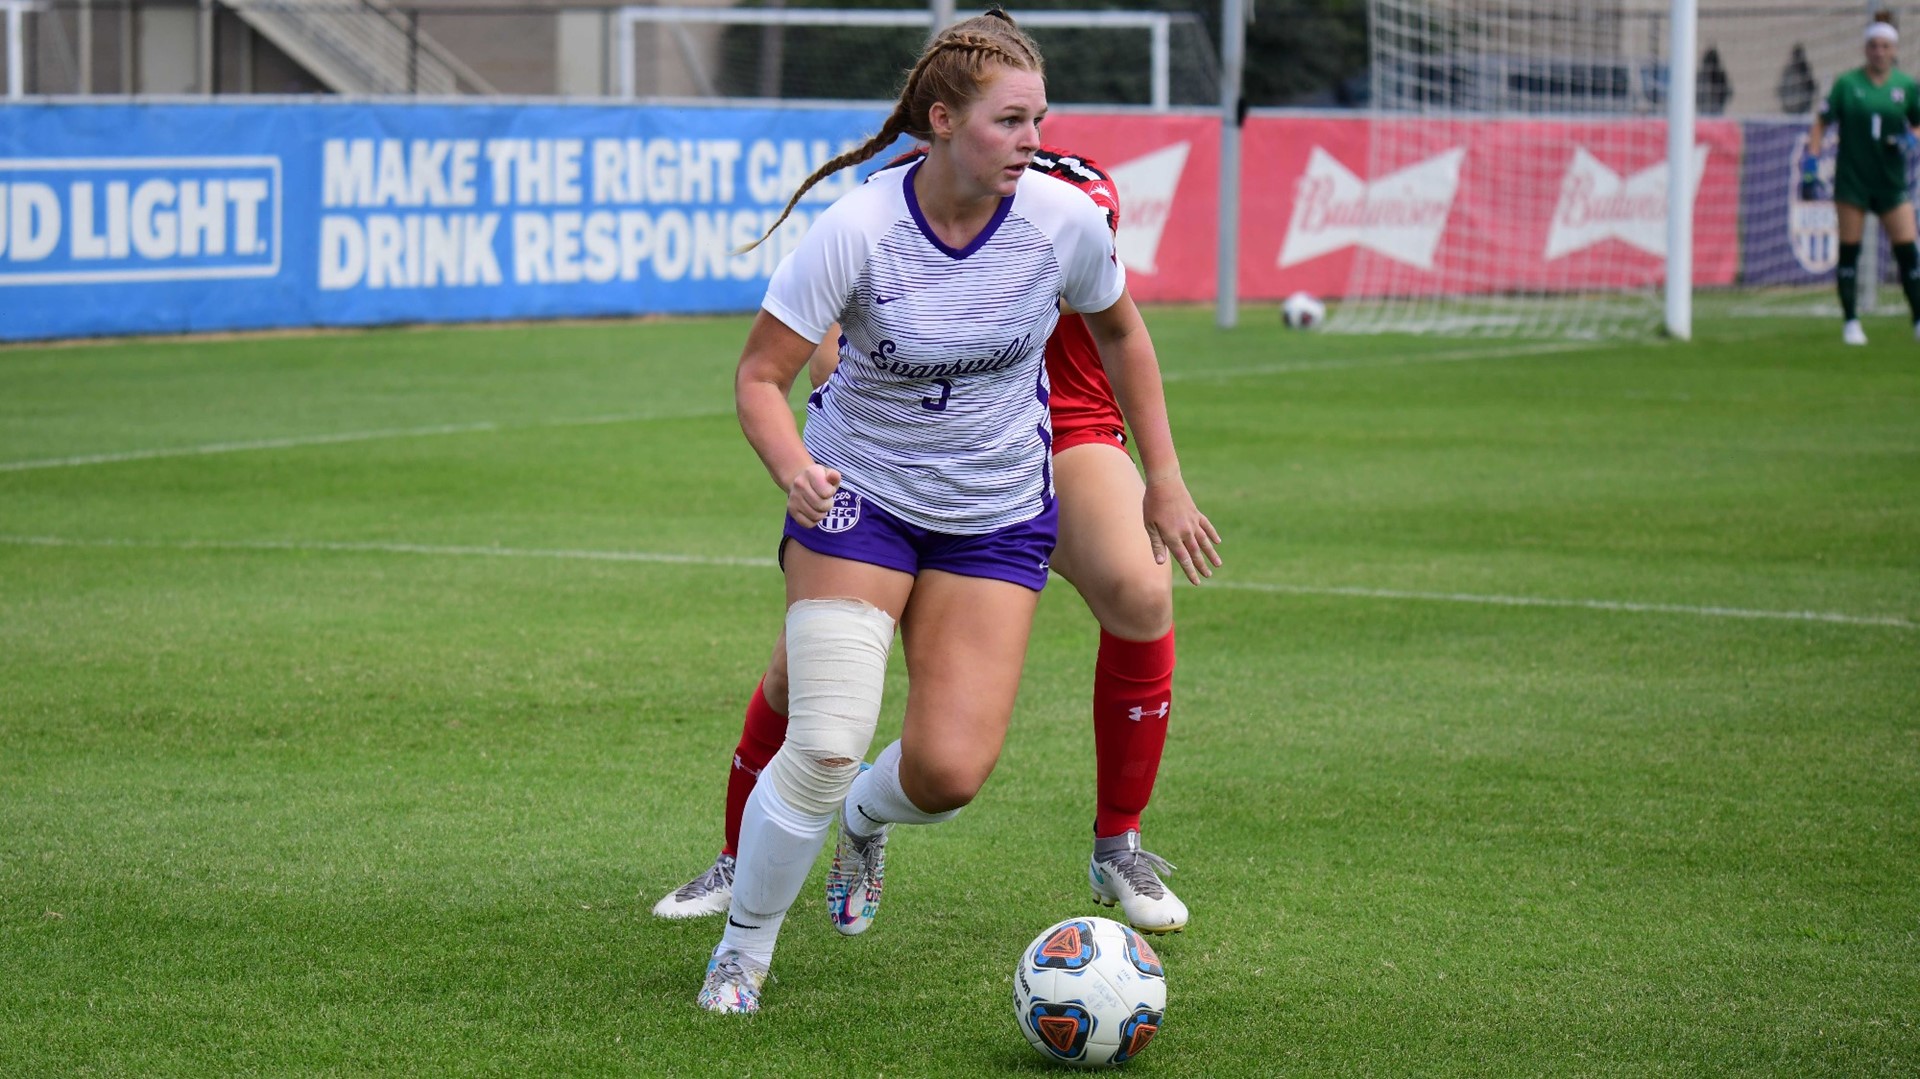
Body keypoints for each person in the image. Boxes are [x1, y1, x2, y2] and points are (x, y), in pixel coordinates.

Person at [695, 10, 1220, 1015]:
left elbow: (1123, 334)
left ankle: (863, 816)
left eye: (1041, 118)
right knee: (829, 733)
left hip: (993, 512)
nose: (1035, 139)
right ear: (942, 121)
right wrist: (793, 466)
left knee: (946, 772)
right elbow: (759, 376)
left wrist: (1164, 473)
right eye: (1012, 120)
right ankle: (742, 948)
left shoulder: (1066, 220)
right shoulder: (857, 228)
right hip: (861, 499)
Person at [1804, 10, 1920, 345]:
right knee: (1850, 250)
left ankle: (1917, 319)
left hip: (1891, 182)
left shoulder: (1906, 87)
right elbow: (1821, 122)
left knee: (1907, 252)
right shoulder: (1847, 84)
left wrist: (1911, 140)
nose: (1879, 51)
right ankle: (1851, 322)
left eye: (1885, 46)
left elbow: (1917, 123)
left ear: (1894, 49)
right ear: (1866, 49)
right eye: (1873, 45)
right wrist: (1811, 164)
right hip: (1853, 180)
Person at [1779, 43, 1817, 115]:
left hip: (1804, 110)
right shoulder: (1788, 71)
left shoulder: (1806, 70)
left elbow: (1812, 87)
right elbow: (1781, 90)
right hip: (1789, 112)